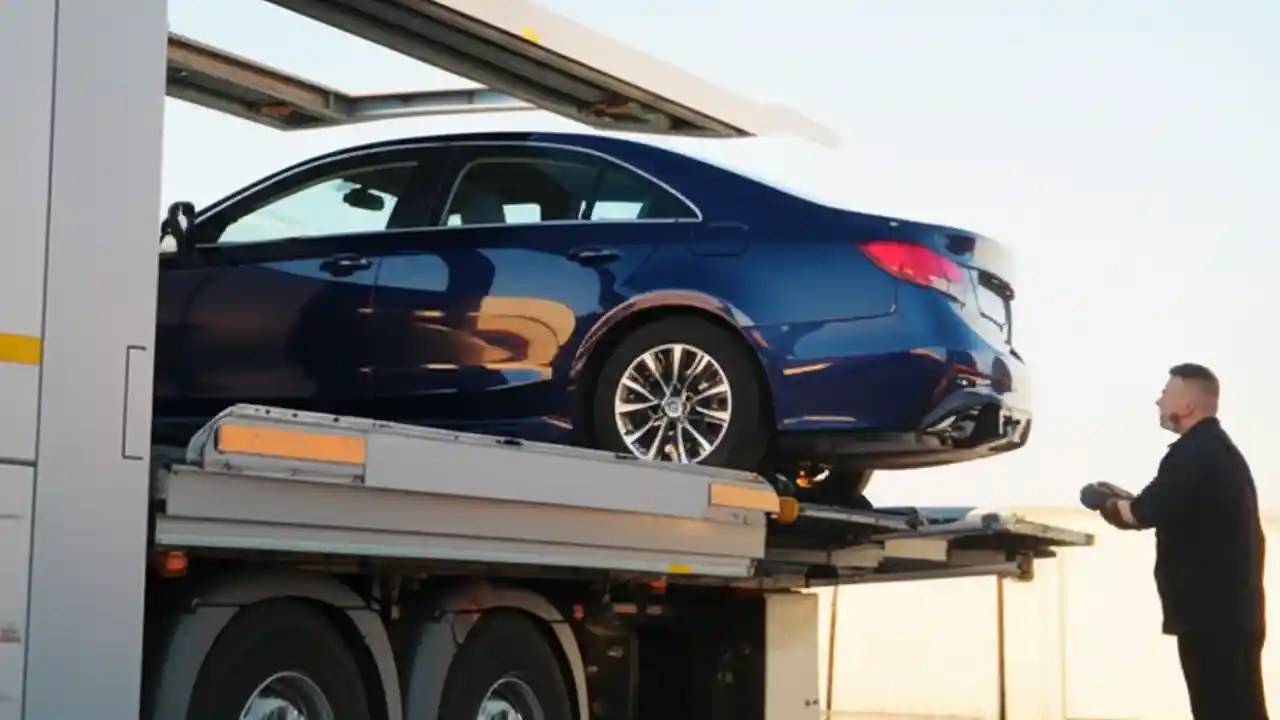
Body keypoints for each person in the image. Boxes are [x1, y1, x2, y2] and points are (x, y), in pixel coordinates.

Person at [1079, 363, 1268, 718]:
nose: (1158, 401)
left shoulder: (1194, 453)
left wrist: (1100, 500)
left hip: (1210, 618)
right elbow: (1161, 504)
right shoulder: (1219, 453)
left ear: (1188, 405)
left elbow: (1141, 512)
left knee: (1220, 709)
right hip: (1232, 615)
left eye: (1166, 393)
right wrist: (1122, 500)